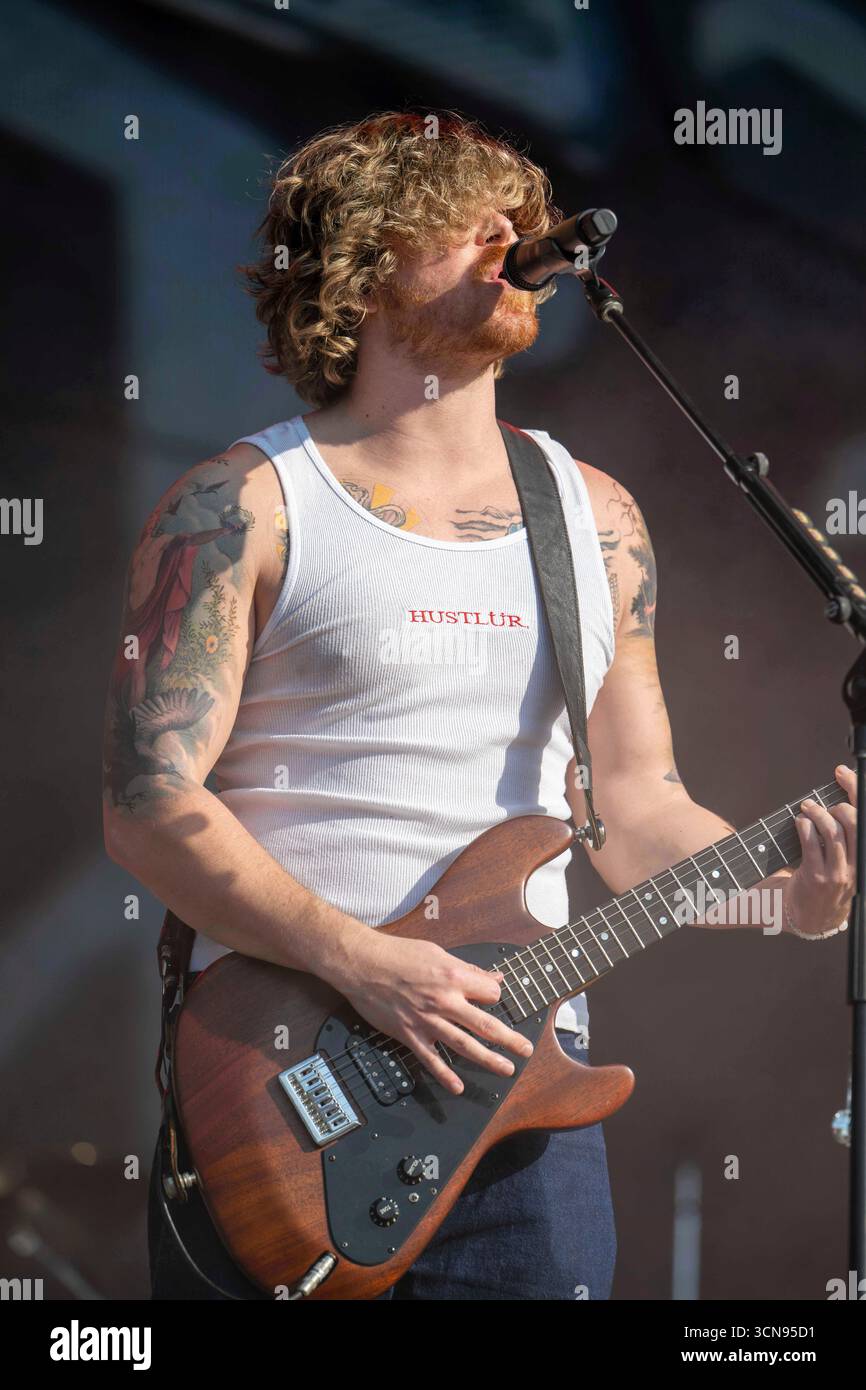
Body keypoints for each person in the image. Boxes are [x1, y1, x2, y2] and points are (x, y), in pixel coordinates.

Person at [102, 111, 857, 1301]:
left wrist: (785, 901)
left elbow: (641, 806)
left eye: (517, 210)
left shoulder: (592, 517)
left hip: (523, 1102)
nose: (512, 234)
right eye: (461, 214)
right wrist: (360, 961)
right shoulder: (245, 503)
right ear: (357, 263)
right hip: (285, 1096)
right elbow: (148, 805)